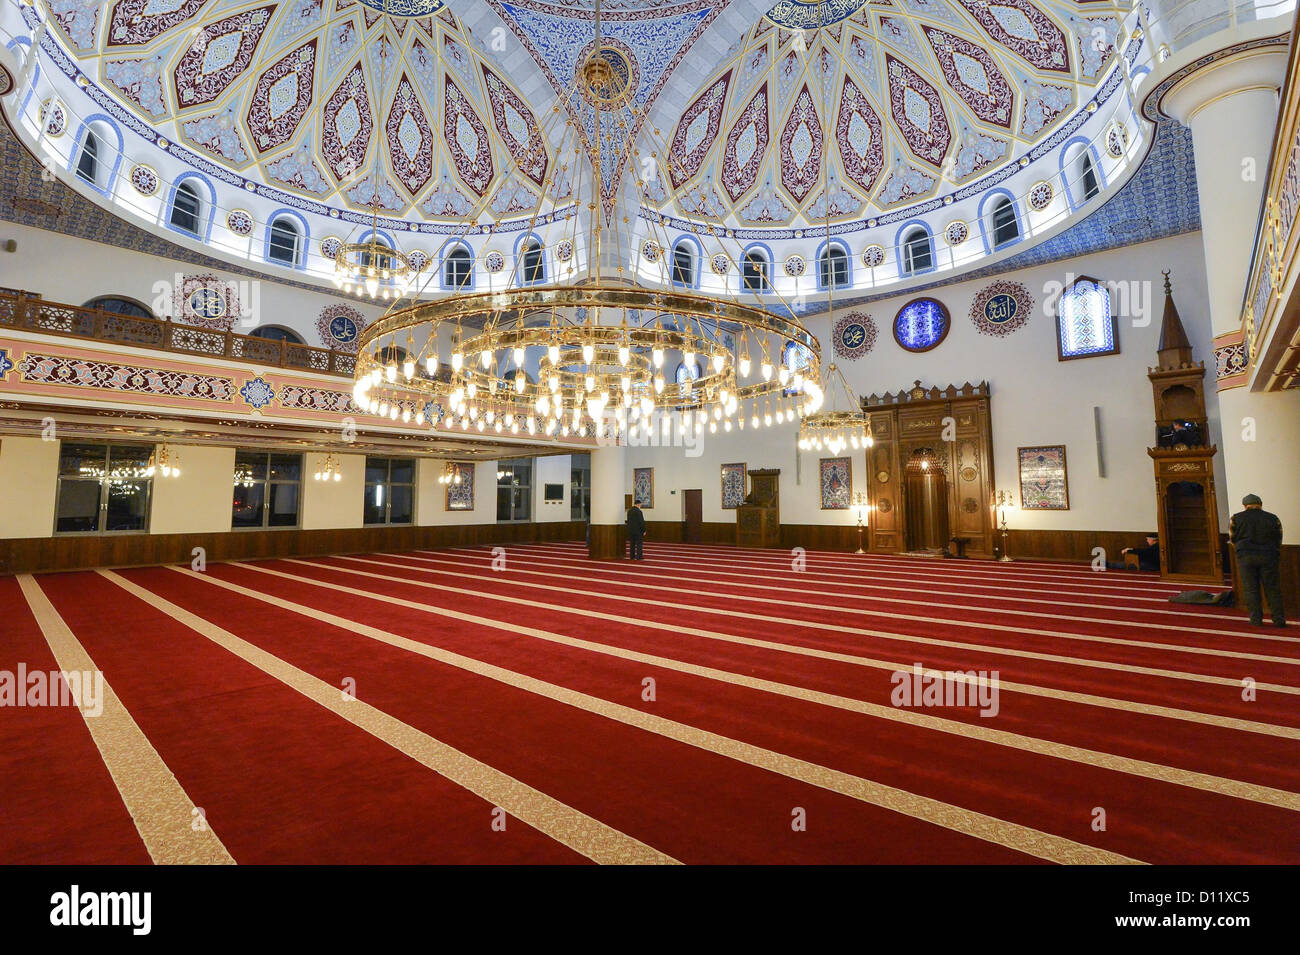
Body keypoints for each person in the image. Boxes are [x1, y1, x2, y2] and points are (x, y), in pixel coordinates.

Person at [1230, 493, 1286, 627]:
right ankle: (1279, 620)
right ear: (1260, 504)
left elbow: (1233, 538)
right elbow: (1279, 537)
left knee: (1251, 589)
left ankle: (1256, 620)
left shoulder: (1236, 518)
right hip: (1268, 555)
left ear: (1245, 506)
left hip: (1246, 556)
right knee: (1272, 589)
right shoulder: (1273, 518)